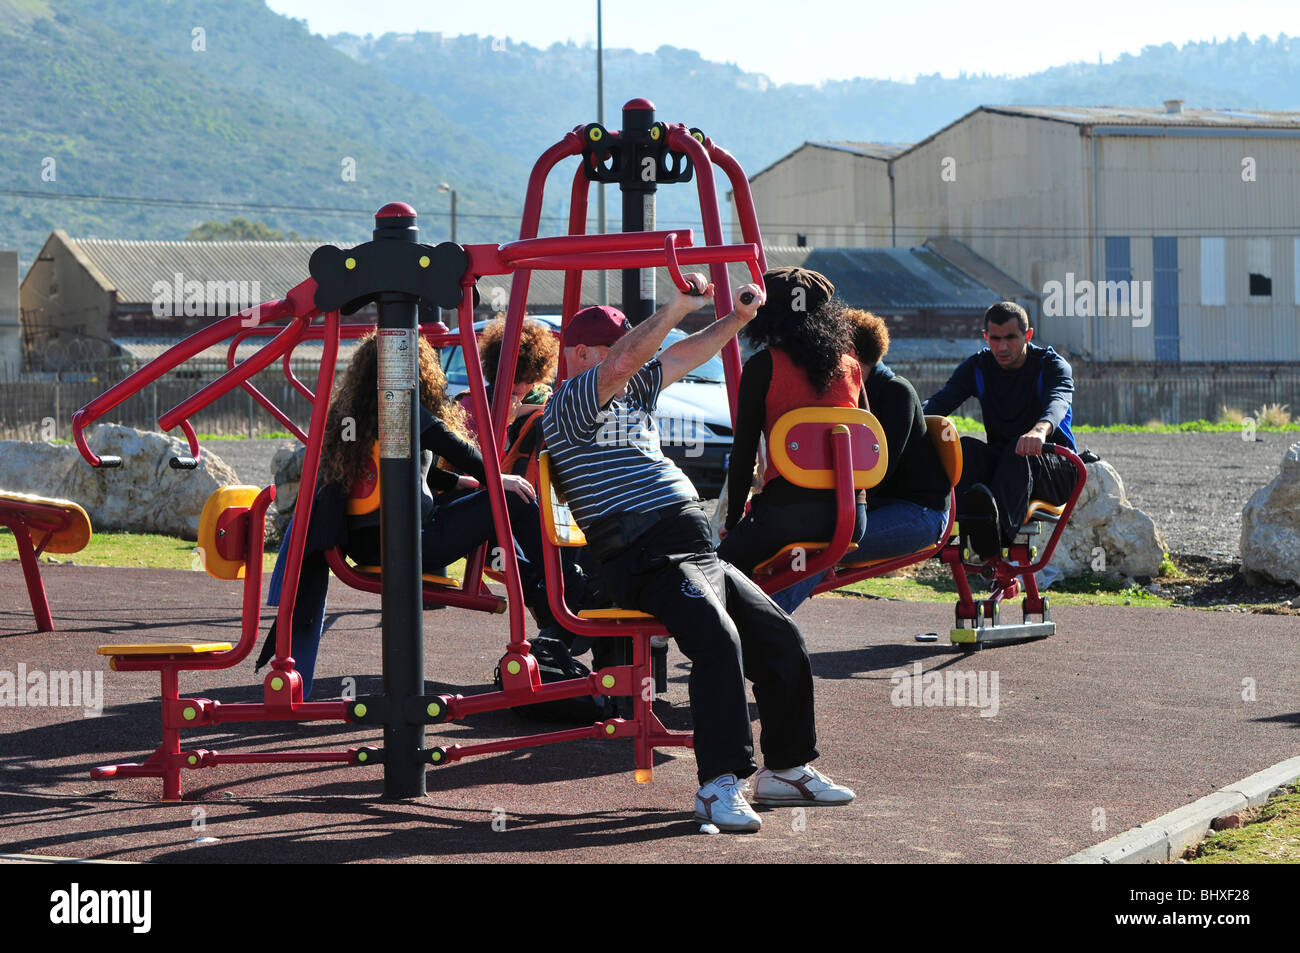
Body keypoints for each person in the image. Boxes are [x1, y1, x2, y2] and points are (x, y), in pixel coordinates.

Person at [540, 279, 855, 834]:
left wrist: (734, 319)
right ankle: (718, 784)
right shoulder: (571, 400)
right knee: (718, 639)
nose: (632, 356)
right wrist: (678, 307)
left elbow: (680, 354)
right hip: (642, 554)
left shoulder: (631, 390)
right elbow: (623, 362)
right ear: (581, 355)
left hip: (691, 546)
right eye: (618, 347)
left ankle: (784, 768)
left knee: (779, 637)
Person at [258, 331, 583, 697]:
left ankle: (549, 600)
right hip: (405, 542)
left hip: (376, 538)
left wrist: (456, 481)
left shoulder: (363, 410)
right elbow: (451, 444)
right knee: (516, 500)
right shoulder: (398, 402)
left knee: (493, 501)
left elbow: (402, 468)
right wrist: (496, 477)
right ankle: (561, 598)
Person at [752, 307, 953, 612]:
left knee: (827, 542)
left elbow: (877, 474)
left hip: (919, 513)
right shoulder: (851, 395)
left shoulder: (896, 392)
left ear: (850, 352)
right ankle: (752, 620)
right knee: (796, 537)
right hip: (877, 507)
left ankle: (765, 627)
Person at [715, 267, 867, 613]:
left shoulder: (763, 366)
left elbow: (743, 454)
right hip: (852, 517)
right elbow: (867, 436)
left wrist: (734, 519)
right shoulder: (851, 367)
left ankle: (729, 652)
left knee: (715, 573)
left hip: (787, 513)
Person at [923, 300, 1078, 560]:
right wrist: (907, 424)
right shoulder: (978, 367)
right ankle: (941, 526)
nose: (1002, 347)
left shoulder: (1052, 366)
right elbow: (939, 404)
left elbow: (1057, 403)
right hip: (1004, 464)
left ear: (1028, 335)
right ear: (986, 337)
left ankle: (997, 536)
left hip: (1053, 466)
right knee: (965, 449)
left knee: (1017, 452)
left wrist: (1039, 431)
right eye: (995, 339)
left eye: (1010, 338)